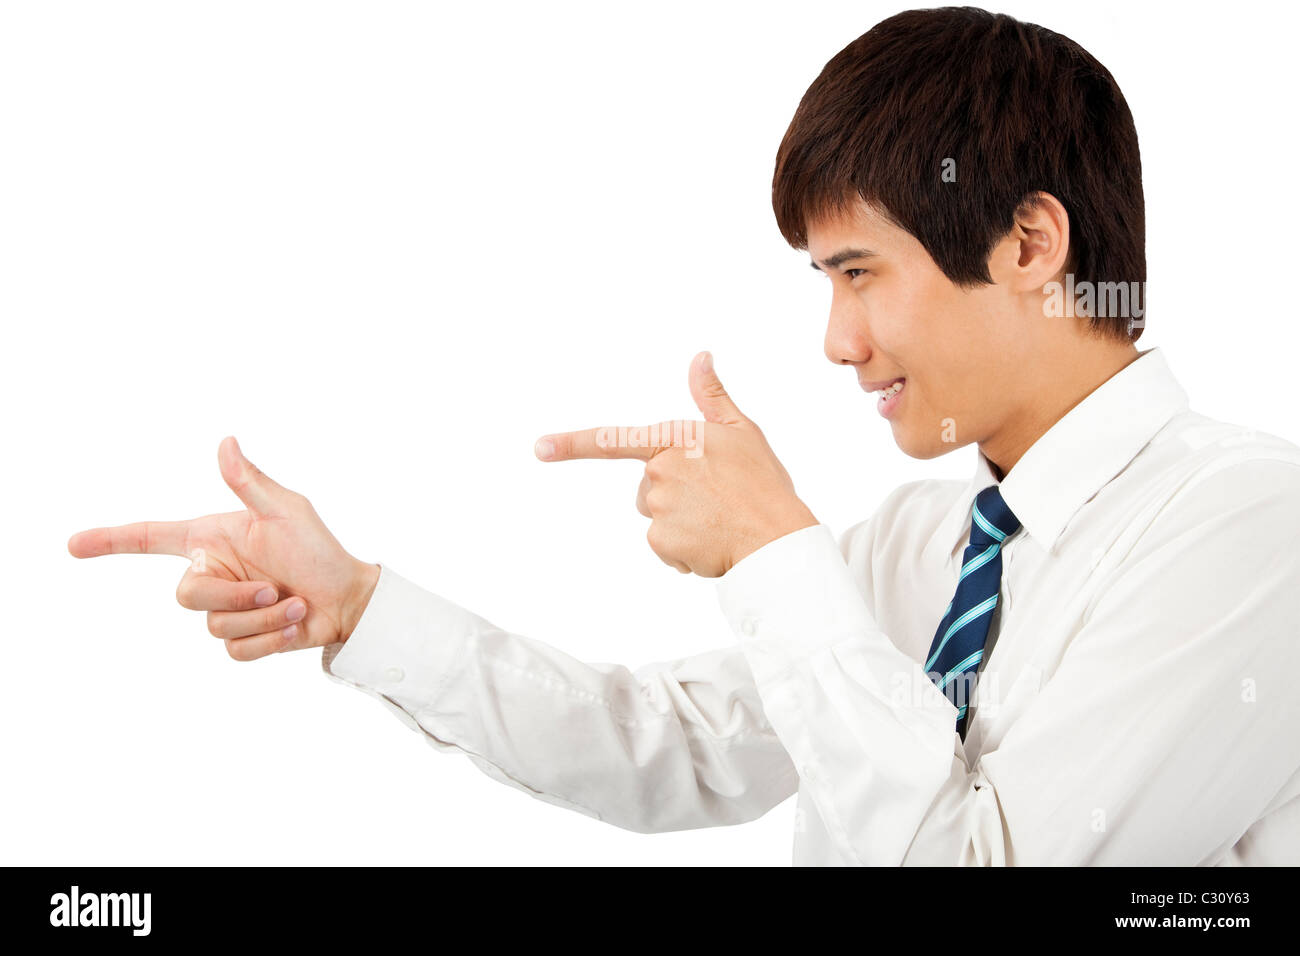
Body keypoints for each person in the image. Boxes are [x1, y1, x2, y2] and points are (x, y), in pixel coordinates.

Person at [67, 6, 1300, 865]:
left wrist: (774, 553)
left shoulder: (1249, 521)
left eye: (860, 272)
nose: (835, 341)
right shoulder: (923, 545)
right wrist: (358, 607)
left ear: (1030, 246)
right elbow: (660, 746)